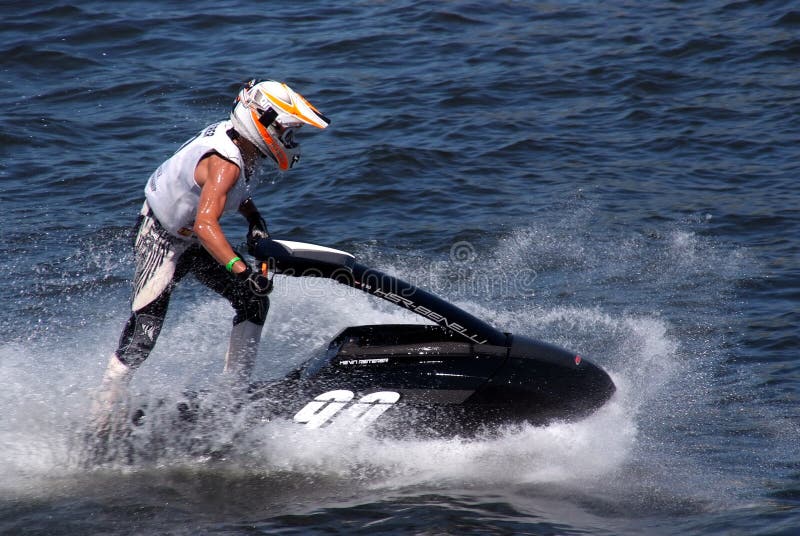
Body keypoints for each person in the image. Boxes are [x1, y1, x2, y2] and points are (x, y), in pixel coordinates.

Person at [92, 79, 330, 428]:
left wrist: (254, 219)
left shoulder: (241, 146)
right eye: (286, 131)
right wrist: (241, 270)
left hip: (191, 239)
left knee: (253, 301)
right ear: (260, 121)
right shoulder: (226, 163)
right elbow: (206, 223)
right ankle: (101, 412)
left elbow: (234, 194)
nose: (290, 141)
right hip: (161, 241)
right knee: (145, 334)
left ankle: (233, 393)